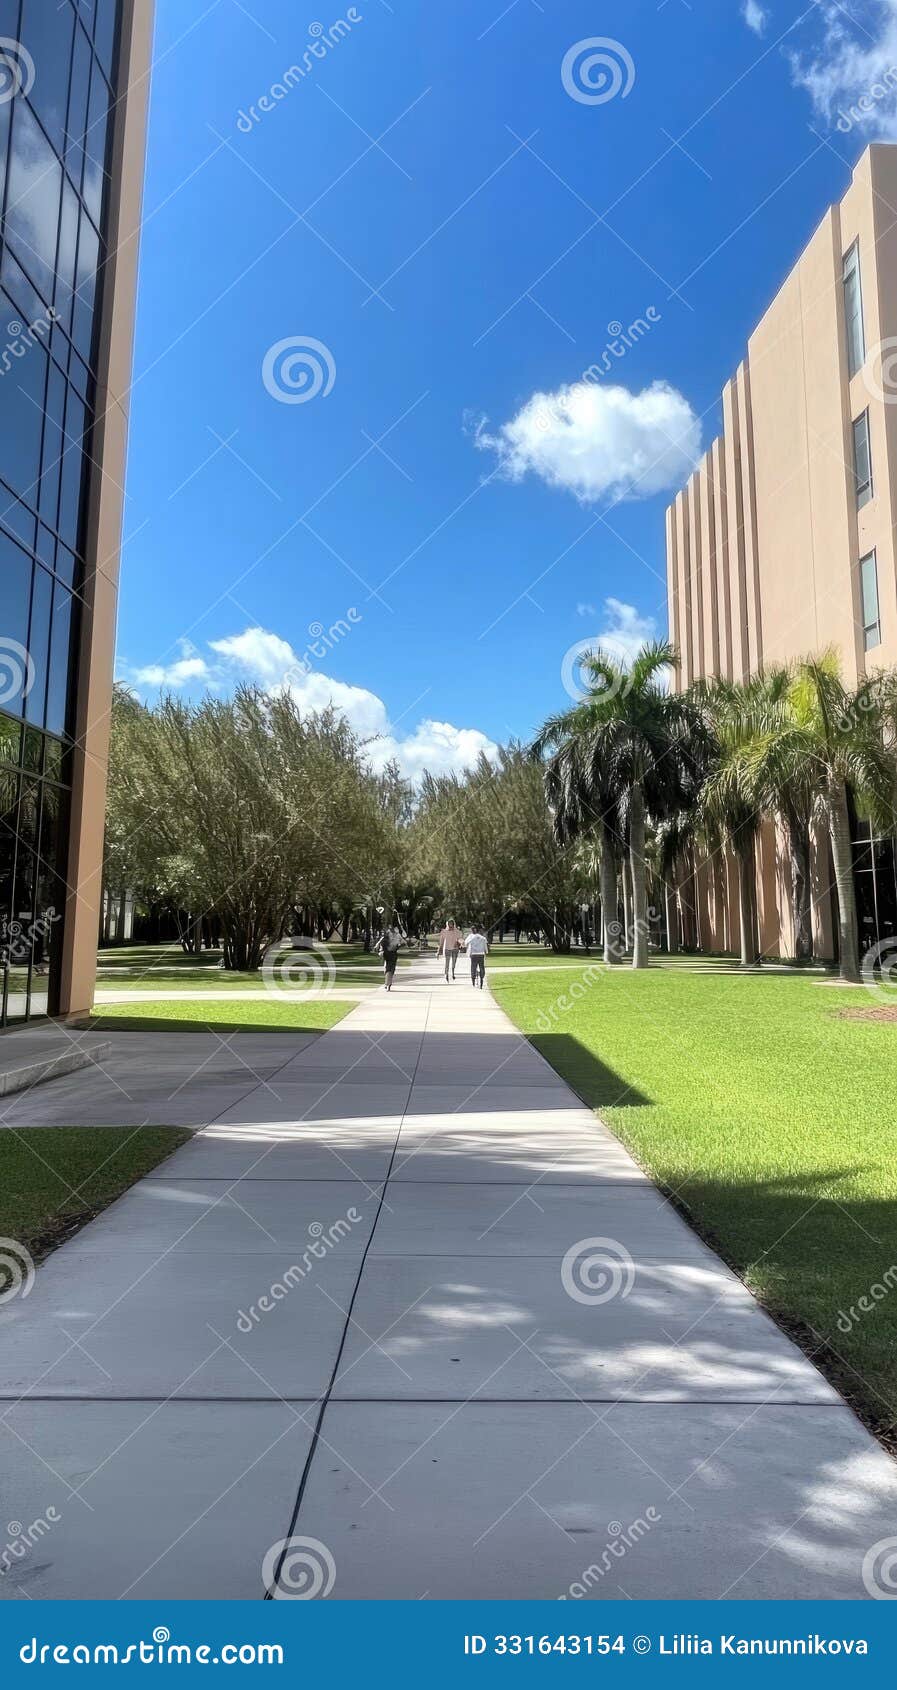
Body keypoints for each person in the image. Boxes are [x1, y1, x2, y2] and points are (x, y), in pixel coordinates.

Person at [377, 919, 404, 991]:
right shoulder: (389, 934)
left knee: (389, 969)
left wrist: (398, 945)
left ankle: (388, 983)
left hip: (391, 953)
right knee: (389, 969)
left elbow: (403, 943)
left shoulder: (396, 935)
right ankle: (388, 983)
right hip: (388, 953)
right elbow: (381, 942)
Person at [437, 917, 463, 982]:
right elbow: (441, 942)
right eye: (449, 924)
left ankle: (453, 972)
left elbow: (460, 940)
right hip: (447, 948)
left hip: (455, 949)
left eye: (452, 924)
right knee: (447, 962)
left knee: (454, 962)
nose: (450, 925)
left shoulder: (458, 932)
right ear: (447, 924)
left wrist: (460, 943)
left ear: (454, 924)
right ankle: (446, 974)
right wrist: (438, 951)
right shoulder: (444, 931)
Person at [464, 922, 488, 988]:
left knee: (473, 967)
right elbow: (485, 947)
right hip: (481, 954)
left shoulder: (470, 936)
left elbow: (465, 943)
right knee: (481, 966)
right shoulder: (483, 938)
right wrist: (486, 952)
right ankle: (482, 975)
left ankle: (473, 978)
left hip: (473, 954)